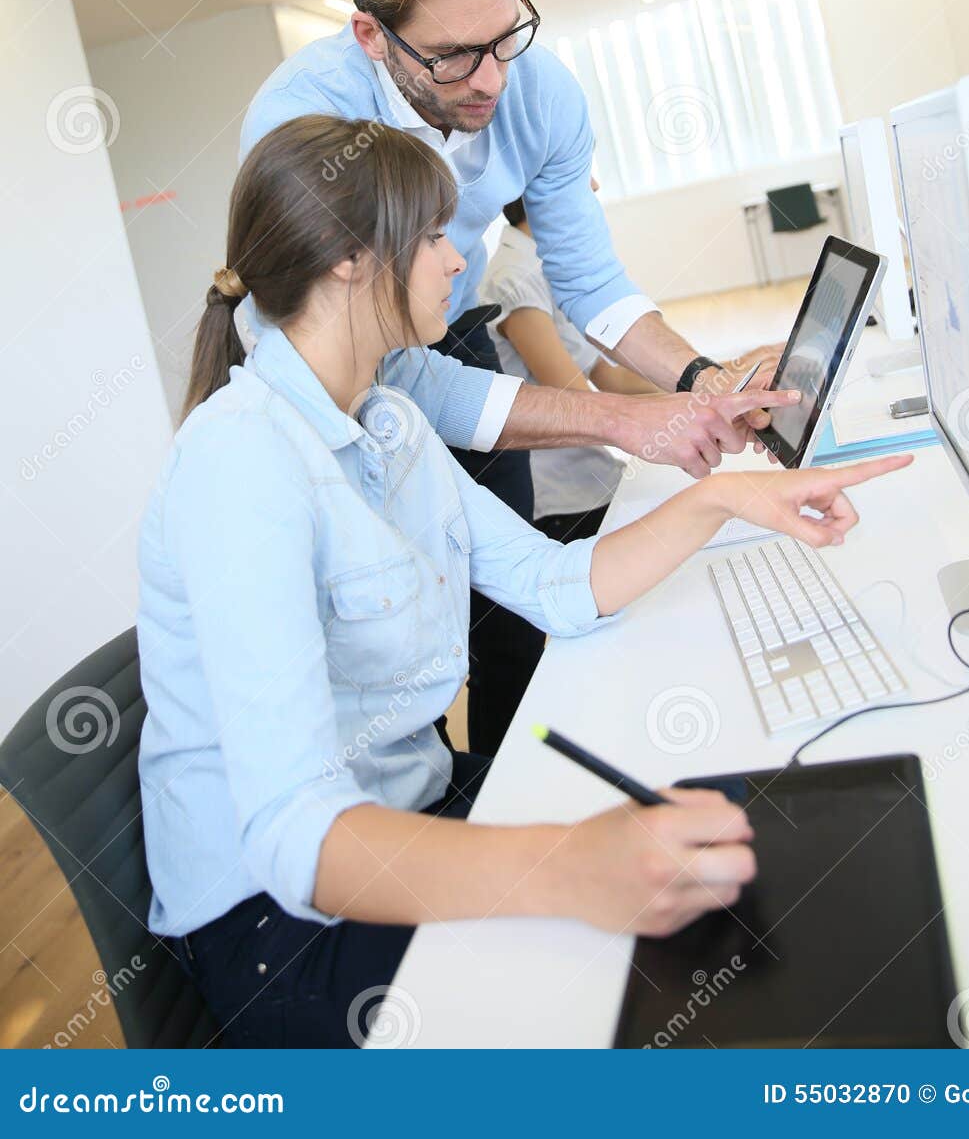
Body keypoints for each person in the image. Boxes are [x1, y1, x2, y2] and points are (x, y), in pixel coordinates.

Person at [137, 114, 910, 1048]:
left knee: (730, 867)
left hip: (409, 808)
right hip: (288, 928)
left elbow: (551, 585)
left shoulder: (387, 419)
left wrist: (730, 502)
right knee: (648, 979)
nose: (455, 261)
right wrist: (567, 867)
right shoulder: (241, 465)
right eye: (430, 237)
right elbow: (297, 837)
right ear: (348, 258)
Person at [240, 0, 780, 753]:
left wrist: (699, 382)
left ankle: (491, 780)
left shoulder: (537, 93)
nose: (492, 78)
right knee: (383, 632)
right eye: (454, 55)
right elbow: (379, 366)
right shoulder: (304, 124)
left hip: (428, 334)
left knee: (511, 609)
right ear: (373, 38)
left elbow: (588, 278)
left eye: (506, 37)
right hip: (335, 370)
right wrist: (627, 420)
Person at [482, 187, 658, 542]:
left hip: (590, 478)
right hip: (561, 502)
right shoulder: (514, 277)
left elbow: (609, 376)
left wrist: (705, 386)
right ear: (538, 194)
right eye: (580, 175)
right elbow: (577, 397)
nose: (594, 186)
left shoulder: (539, 265)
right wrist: (693, 408)